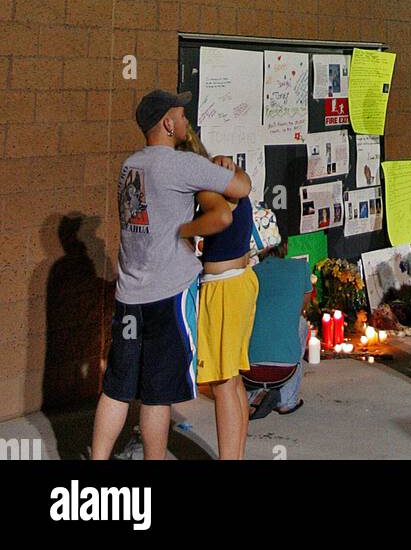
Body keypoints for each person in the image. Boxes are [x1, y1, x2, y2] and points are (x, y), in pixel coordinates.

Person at [91, 90, 251, 461]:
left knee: (116, 388)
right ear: (167, 123)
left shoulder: (130, 166)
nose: (185, 122)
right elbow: (239, 189)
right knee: (157, 394)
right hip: (168, 295)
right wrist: (188, 226)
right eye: (181, 115)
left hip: (129, 293)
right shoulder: (180, 165)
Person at [180, 129, 259, 460]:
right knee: (235, 380)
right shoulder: (226, 173)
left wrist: (180, 231)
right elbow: (246, 185)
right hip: (243, 279)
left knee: (223, 384)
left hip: (223, 287)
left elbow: (220, 218)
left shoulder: (204, 187)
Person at [244, 243, 313, 419]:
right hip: (285, 369)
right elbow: (300, 308)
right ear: (286, 245)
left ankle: (252, 395)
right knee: (299, 324)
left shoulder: (248, 273)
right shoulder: (300, 267)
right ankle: (287, 401)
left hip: (248, 370)